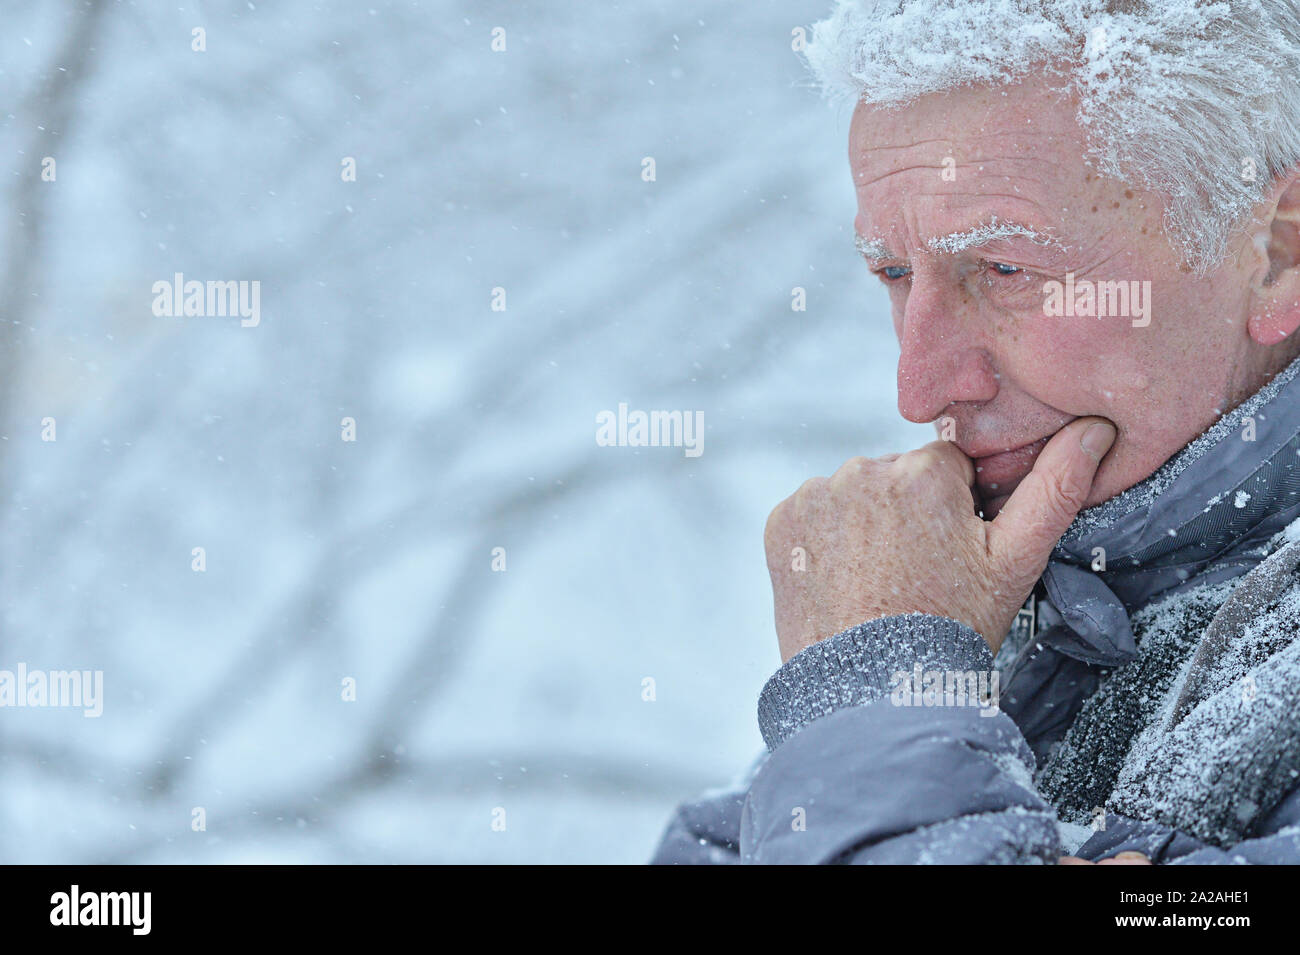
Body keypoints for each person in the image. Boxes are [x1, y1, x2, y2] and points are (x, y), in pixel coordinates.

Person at [652, 0, 1300, 864]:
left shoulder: (906, 672)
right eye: (891, 271)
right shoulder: (973, 618)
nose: (917, 390)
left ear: (1277, 252)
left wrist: (882, 707)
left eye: (1004, 268)